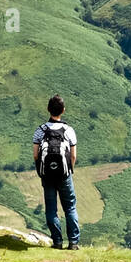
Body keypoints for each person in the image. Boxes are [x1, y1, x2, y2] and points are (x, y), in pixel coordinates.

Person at [33, 95, 80, 249]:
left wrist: (41, 169)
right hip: (64, 175)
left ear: (48, 109)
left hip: (47, 175)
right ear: (63, 110)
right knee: (70, 207)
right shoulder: (69, 130)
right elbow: (73, 155)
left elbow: (35, 154)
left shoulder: (40, 131)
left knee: (51, 209)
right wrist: (69, 170)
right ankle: (73, 242)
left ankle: (57, 242)